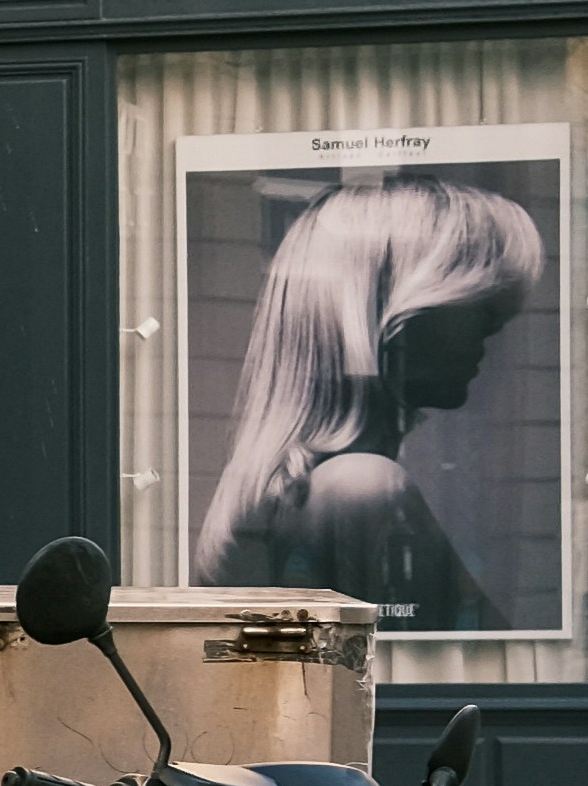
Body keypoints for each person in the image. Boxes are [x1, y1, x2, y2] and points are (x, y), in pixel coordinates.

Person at [197, 171, 543, 629]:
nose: (493, 330)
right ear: (386, 313)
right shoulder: (360, 486)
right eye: (478, 303)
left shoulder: (311, 485)